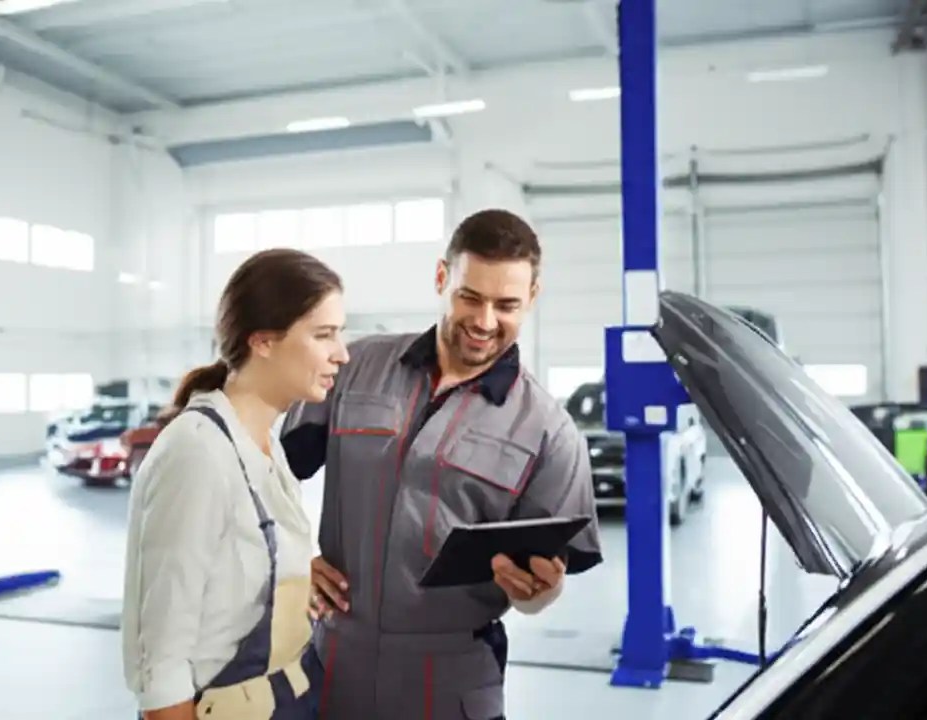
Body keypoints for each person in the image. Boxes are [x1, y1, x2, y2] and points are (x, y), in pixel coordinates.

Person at [280, 208, 603, 719]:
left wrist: (539, 591)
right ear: (440, 277)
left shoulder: (549, 432)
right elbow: (264, 472)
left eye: (507, 305)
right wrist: (290, 556)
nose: (484, 321)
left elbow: (543, 581)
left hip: (454, 681)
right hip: (333, 664)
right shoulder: (354, 367)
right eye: (469, 297)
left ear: (533, 297)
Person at [121, 248, 350, 720]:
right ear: (263, 341)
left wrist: (298, 572)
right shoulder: (197, 452)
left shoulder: (266, 444)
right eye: (323, 335)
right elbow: (163, 659)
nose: (341, 354)